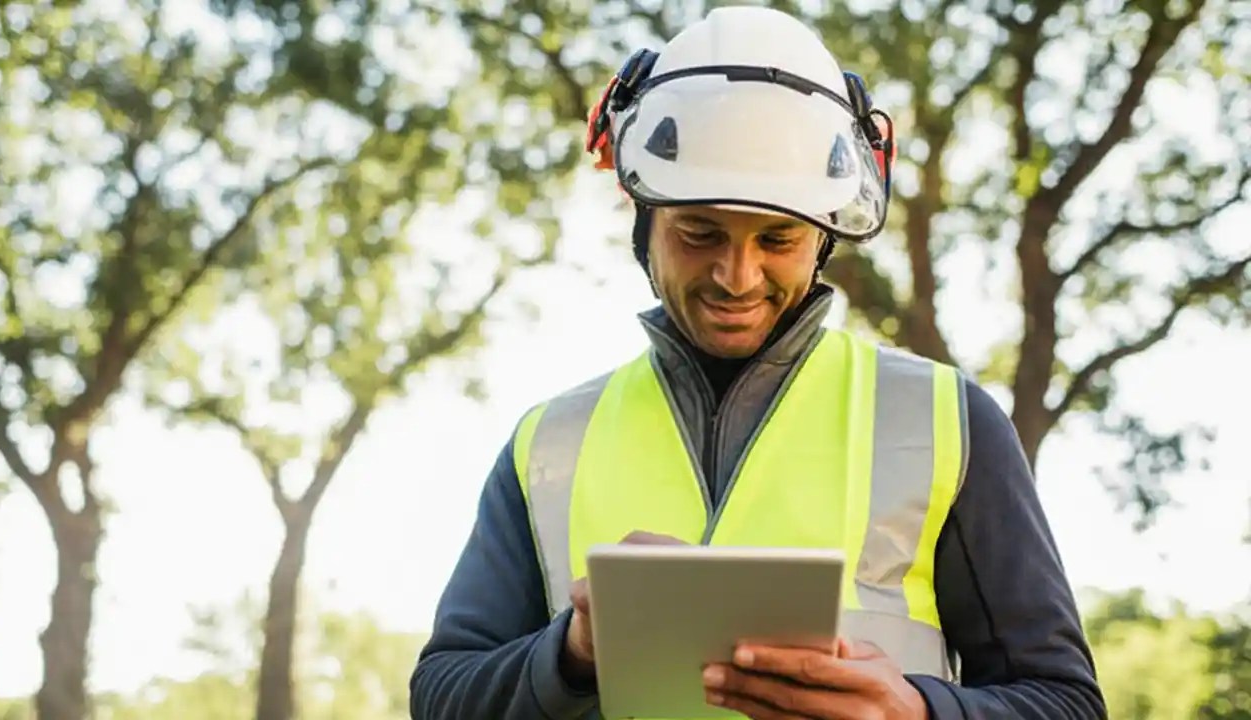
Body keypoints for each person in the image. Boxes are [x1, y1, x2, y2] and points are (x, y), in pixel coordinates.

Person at [409, 6, 1106, 719]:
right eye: (699, 233)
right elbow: (441, 696)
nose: (737, 277)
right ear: (644, 220)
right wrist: (574, 652)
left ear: (823, 238)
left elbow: (1065, 703)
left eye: (778, 239)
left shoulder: (946, 422)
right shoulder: (548, 445)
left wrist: (919, 713)